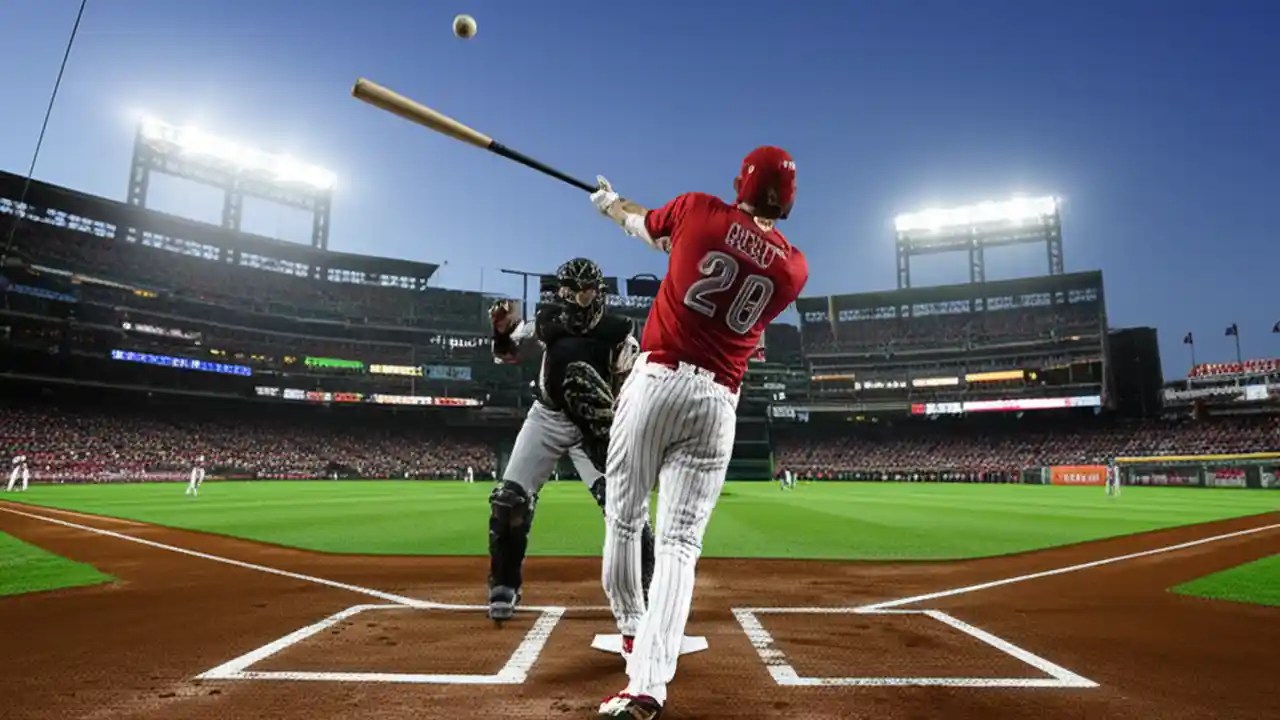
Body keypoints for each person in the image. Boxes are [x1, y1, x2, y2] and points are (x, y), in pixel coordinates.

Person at [589, 146, 809, 719]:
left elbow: (645, 225)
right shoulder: (794, 269)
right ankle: (648, 686)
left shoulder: (698, 210)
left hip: (658, 380)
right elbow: (713, 247)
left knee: (624, 514)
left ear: (741, 180)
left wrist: (611, 204)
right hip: (718, 404)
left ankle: (631, 628)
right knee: (680, 546)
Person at [485, 257, 656, 622]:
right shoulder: (545, 324)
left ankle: (647, 588)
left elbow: (630, 390)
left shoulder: (620, 336)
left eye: (585, 291)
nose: (576, 298)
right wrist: (500, 331)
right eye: (568, 291)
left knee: (623, 506)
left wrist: (615, 429)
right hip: (547, 417)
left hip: (593, 424)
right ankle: (504, 584)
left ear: (598, 294)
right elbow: (507, 355)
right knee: (509, 500)